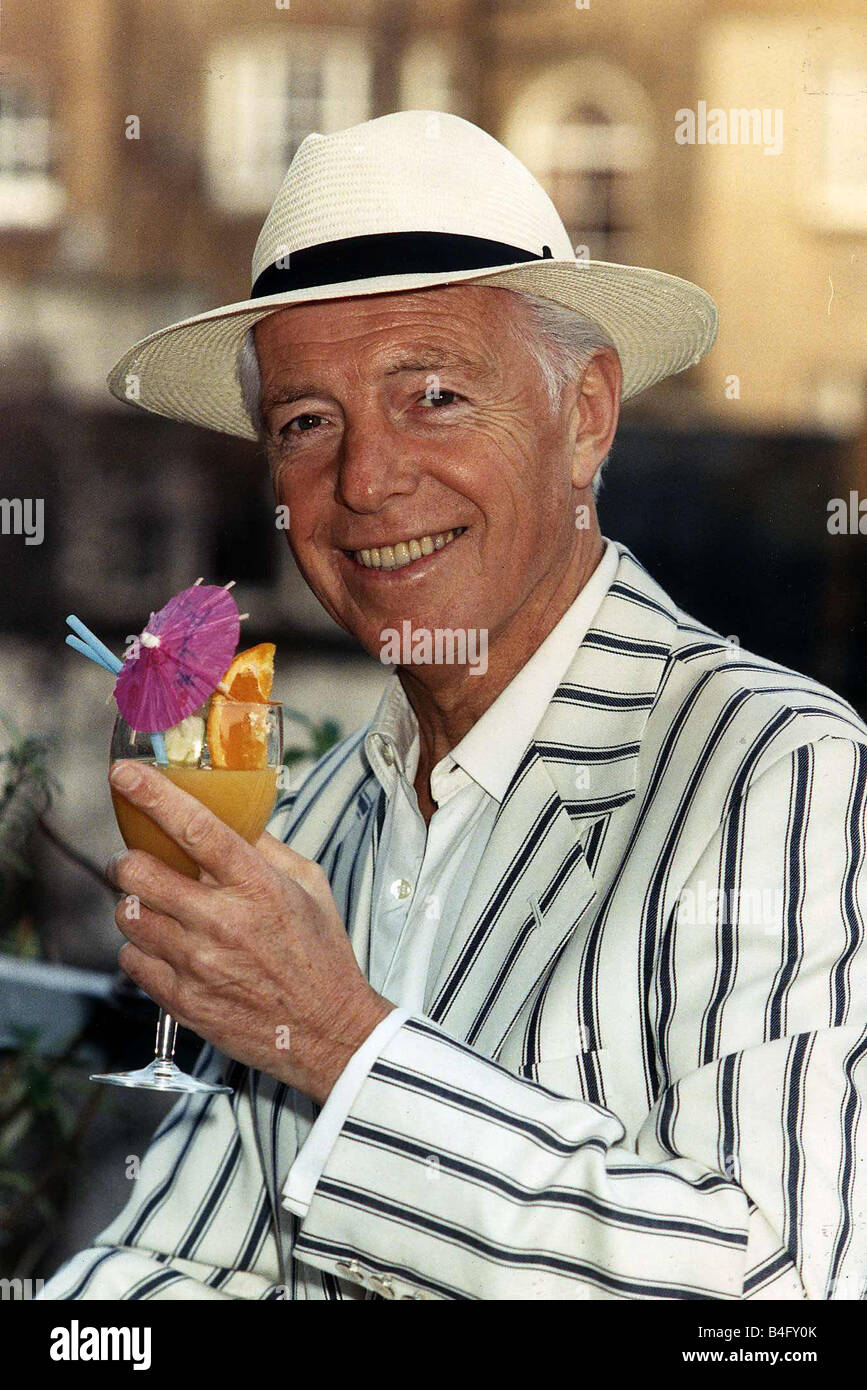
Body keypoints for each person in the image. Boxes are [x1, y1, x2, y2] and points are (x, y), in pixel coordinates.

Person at [41, 111, 867, 1301]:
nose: (367, 479)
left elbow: (777, 1293)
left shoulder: (777, 774)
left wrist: (341, 1039)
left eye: (431, 394)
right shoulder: (312, 827)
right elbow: (165, 1264)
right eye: (306, 423)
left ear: (584, 416)